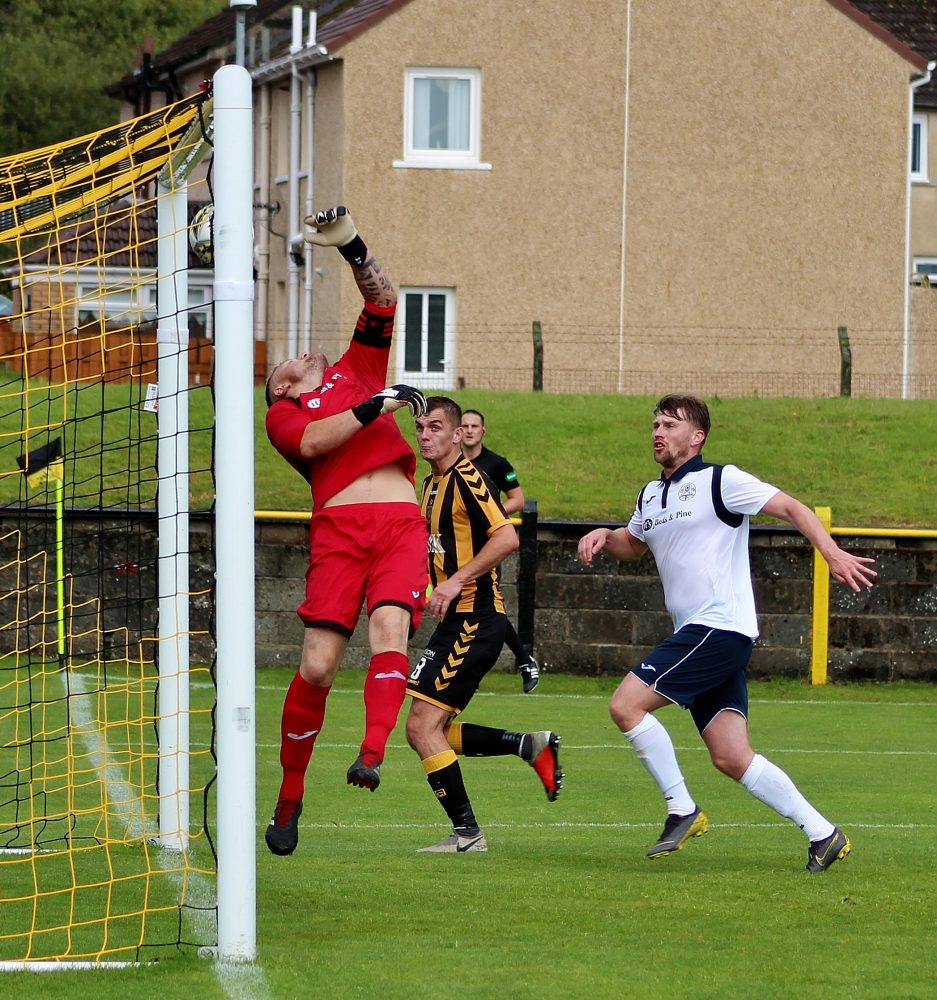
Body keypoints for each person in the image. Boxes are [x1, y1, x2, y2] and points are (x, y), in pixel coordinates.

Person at [577, 394, 876, 872]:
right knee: (732, 756)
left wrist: (832, 553)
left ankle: (682, 809)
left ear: (696, 437)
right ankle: (825, 834)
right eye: (655, 423)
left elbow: (795, 508)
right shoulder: (650, 495)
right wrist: (604, 536)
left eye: (670, 424)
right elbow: (632, 545)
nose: (658, 431)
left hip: (718, 627)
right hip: (703, 634)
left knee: (625, 704)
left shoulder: (722, 480)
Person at [263, 206, 430, 856]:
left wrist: (352, 246)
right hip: (338, 532)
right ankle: (290, 795)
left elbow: (383, 301)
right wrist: (372, 406)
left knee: (390, 632)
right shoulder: (285, 415)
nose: (305, 352)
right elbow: (313, 440)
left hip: (397, 525)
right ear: (283, 385)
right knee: (318, 664)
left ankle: (371, 753)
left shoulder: (356, 371)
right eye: (292, 359)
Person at [406, 396, 563, 852]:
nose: (425, 435)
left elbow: (507, 537)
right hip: (454, 620)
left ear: (459, 435)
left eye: (436, 427)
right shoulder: (431, 484)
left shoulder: (469, 480)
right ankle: (528, 746)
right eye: (420, 427)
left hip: (476, 619)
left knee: (421, 727)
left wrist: (455, 582)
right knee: (427, 727)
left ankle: (468, 835)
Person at [460, 408, 540, 693]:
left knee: (487, 603)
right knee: (472, 606)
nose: (469, 430)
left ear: (484, 431)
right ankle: (517, 659)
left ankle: (522, 659)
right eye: (465, 425)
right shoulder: (448, 464)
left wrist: (489, 515)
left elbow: (517, 499)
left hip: (486, 544)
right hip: (457, 546)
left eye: (474, 426)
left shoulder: (497, 463)